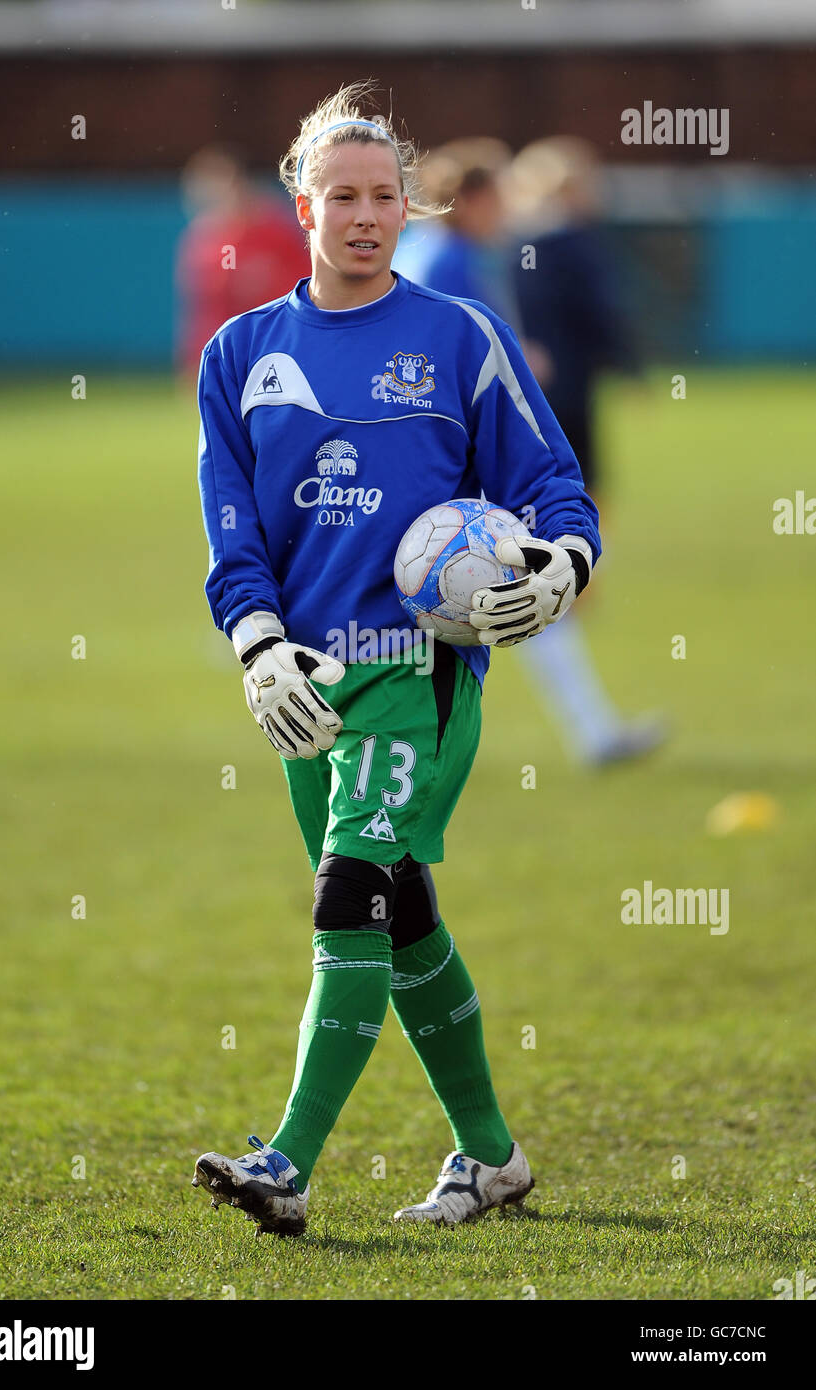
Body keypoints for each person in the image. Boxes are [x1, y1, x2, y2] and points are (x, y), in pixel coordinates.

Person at [191, 82, 600, 1236]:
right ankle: (493, 1157)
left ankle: (286, 1164)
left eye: (384, 195)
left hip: (417, 678)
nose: (366, 215)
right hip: (305, 687)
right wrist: (259, 647)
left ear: (407, 204)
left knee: (346, 902)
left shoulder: (459, 335)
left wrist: (563, 562)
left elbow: (548, 478)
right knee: (399, 912)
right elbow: (231, 532)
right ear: (304, 206)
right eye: (343, 196)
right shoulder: (241, 354)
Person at [507, 136, 667, 764]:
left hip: (512, 416)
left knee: (522, 565)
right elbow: (603, 312)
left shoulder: (508, 246)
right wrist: (630, 365)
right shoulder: (571, 243)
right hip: (564, 408)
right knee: (552, 552)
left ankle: (594, 730)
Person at [176, 143, 310, 379]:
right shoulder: (204, 239)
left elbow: (307, 281)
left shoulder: (274, 226)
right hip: (227, 354)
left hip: (280, 345)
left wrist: (265, 281)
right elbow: (206, 307)